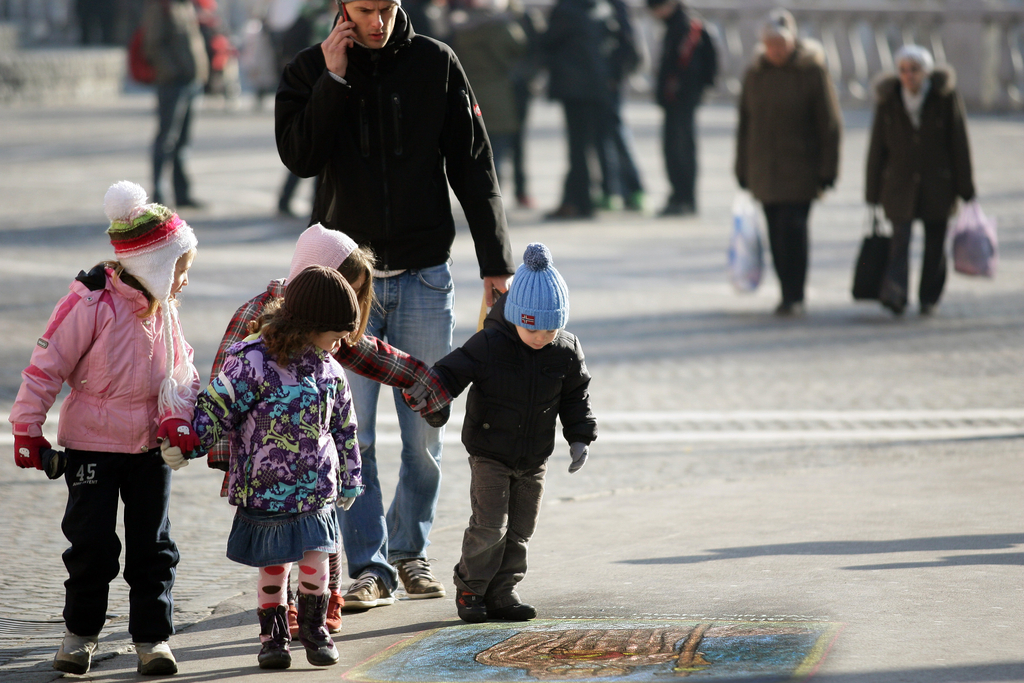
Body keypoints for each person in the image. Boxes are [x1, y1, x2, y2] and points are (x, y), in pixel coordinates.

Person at [276, 0, 516, 609]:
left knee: (424, 433)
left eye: (387, 8)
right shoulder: (309, 68)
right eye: (364, 10)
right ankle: (370, 566)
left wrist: (497, 265)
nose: (377, 21)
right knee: (349, 438)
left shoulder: (436, 63)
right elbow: (299, 157)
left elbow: (474, 165)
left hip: (425, 278)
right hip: (344, 284)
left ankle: (411, 552)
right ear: (341, 9)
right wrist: (333, 80)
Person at [206, 223, 450, 635]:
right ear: (315, 278)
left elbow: (371, 354)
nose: (351, 302)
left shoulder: (328, 323)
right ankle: (280, 621)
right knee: (277, 548)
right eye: (345, 287)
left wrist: (422, 379)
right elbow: (223, 382)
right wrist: (222, 453)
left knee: (323, 540)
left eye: (355, 292)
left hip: (314, 470)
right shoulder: (258, 315)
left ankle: (322, 607)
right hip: (264, 465)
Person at [9, 180, 201, 676]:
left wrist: (179, 420)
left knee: (153, 548)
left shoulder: (166, 312)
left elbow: (182, 374)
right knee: (92, 546)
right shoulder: (91, 302)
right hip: (92, 446)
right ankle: (80, 635)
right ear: (154, 264)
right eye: (180, 268)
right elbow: (45, 365)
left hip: (149, 452)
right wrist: (28, 427)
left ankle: (152, 640)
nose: (184, 280)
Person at [184, 265, 362, 670]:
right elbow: (217, 405)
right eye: (336, 334)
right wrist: (191, 441)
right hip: (267, 490)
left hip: (317, 490)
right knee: (275, 565)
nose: (340, 344)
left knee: (317, 561)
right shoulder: (252, 361)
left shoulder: (330, 370)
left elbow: (344, 427)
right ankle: (273, 636)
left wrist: (351, 477)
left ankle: (315, 629)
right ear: (310, 324)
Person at [408, 243, 597, 623]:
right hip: (490, 452)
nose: (541, 336)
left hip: (534, 457)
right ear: (514, 316)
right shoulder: (491, 343)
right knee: (490, 525)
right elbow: (450, 372)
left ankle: (503, 590)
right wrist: (431, 397)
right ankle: (471, 588)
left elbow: (576, 396)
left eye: (550, 327)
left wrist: (580, 437)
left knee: (521, 529)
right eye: (532, 327)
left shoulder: (565, 349)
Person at [734, 8, 841, 316]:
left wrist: (827, 170)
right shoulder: (755, 73)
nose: (776, 51)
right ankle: (786, 292)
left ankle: (796, 293)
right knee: (775, 234)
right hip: (764, 170)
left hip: (801, 170)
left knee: (794, 230)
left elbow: (829, 124)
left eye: (781, 44)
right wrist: (741, 169)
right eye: (770, 45)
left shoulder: (812, 71)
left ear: (793, 42)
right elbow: (745, 125)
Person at [865, 45, 975, 316]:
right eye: (903, 70)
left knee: (935, 244)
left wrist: (966, 189)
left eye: (914, 70)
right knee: (899, 241)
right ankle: (896, 293)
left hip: (938, 184)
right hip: (899, 184)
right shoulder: (888, 99)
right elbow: (876, 148)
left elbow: (959, 144)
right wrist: (872, 191)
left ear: (926, 72)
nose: (908, 76)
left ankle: (929, 296)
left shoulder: (944, 98)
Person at [541, 0, 620, 219]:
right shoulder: (603, 8)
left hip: (574, 88)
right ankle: (586, 198)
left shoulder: (566, 10)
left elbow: (548, 42)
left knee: (577, 147)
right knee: (593, 144)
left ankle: (577, 201)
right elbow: (621, 45)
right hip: (599, 86)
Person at [647, 0, 716, 216]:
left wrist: (687, 92)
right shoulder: (677, 26)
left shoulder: (688, 27)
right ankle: (678, 194)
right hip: (675, 100)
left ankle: (685, 197)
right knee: (672, 148)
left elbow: (704, 66)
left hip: (683, 100)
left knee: (681, 149)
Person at [450, 0, 528, 190]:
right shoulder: (502, 27)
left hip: (470, 95)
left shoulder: (460, 29)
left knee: (474, 152)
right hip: (498, 95)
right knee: (497, 154)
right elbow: (519, 48)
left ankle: (477, 195)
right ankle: (493, 197)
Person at [142, 0, 209, 208]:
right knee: (166, 139)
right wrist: (173, 71)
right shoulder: (161, 7)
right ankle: (158, 192)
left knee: (183, 142)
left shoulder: (185, 5)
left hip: (191, 82)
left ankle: (182, 193)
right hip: (173, 83)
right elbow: (153, 44)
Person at [595, 0, 645, 213]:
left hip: (610, 80)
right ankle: (610, 190)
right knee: (601, 136)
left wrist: (614, 76)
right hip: (599, 79)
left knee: (615, 133)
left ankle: (633, 190)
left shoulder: (615, 6)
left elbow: (628, 44)